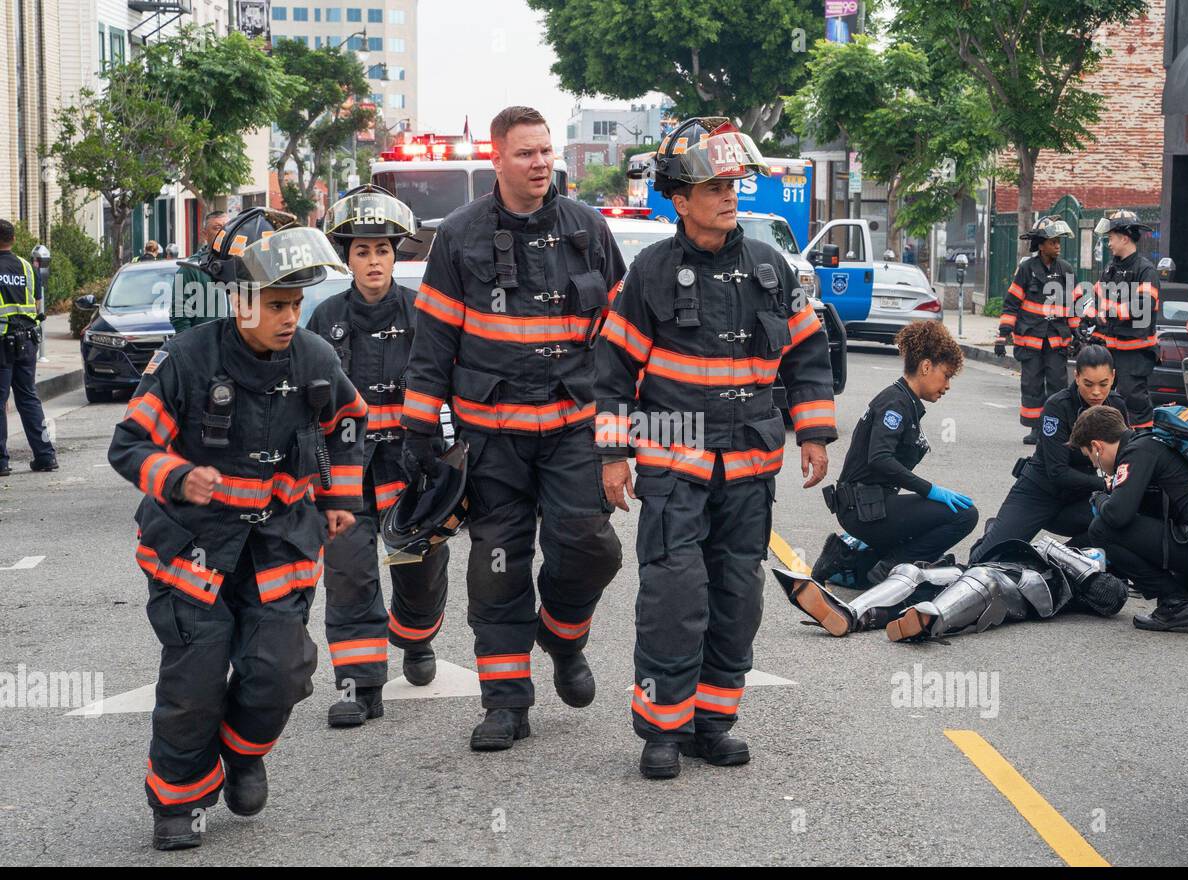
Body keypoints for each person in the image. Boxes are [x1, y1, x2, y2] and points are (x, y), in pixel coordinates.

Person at [108, 209, 366, 850]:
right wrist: (175, 476)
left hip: (277, 542)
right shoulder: (187, 359)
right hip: (193, 545)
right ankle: (178, 802)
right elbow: (130, 444)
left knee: (280, 669)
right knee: (194, 680)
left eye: (297, 304)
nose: (289, 317)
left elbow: (351, 425)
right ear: (238, 298)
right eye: (277, 304)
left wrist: (340, 500)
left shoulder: (314, 357)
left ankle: (243, 753)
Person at [596, 116, 837, 780]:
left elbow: (808, 356)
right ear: (680, 198)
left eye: (734, 182)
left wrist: (813, 433)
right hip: (674, 462)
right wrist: (613, 455)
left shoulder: (769, 267)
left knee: (737, 595)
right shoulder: (650, 271)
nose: (730, 195)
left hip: (750, 466)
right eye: (714, 186)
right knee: (674, 596)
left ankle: (713, 723)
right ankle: (662, 730)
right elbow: (612, 369)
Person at [400, 105, 625, 751]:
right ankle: (506, 706)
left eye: (547, 151)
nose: (540, 163)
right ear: (496, 158)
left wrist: (620, 439)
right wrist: (421, 433)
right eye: (526, 152)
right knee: (498, 568)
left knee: (591, 547)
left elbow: (622, 341)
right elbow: (434, 340)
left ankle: (564, 632)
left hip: (572, 432)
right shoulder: (461, 236)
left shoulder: (588, 228)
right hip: (491, 439)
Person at [308, 184, 449, 727]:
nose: (373, 261)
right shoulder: (323, 320)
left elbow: (447, 389)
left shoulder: (423, 316)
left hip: (413, 474)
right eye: (362, 251)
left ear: (396, 255)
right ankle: (359, 687)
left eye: (382, 250)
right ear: (348, 258)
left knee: (421, 572)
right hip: (344, 478)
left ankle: (415, 639)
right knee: (348, 576)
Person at [811, 322, 978, 588]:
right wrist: (930, 490)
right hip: (863, 508)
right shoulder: (896, 404)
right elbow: (880, 458)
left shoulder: (905, 401)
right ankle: (891, 570)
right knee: (965, 515)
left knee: (929, 538)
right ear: (926, 367)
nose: (947, 385)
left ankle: (844, 561)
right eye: (945, 375)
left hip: (869, 505)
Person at [775, 537, 1127, 640]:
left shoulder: (1085, 568)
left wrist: (1070, 558)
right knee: (913, 573)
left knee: (986, 582)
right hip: (986, 568)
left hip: (1017, 587)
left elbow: (1111, 597)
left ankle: (931, 620)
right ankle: (849, 614)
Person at [970, 345, 1128, 561]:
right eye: (1088, 384)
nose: (1096, 392)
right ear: (1077, 376)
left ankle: (1058, 560)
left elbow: (1125, 456)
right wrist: (1106, 484)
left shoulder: (1117, 406)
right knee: (986, 560)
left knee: (1119, 523)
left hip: (1081, 496)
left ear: (1113, 377)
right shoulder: (1057, 407)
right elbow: (1058, 472)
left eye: (1104, 384)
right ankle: (994, 532)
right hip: (1039, 492)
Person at [1069, 404, 1188, 633]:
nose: (1096, 466)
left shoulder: (1137, 452)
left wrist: (1098, 499)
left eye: (1092, 459)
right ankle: (1187, 596)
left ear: (1097, 447)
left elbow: (1117, 515)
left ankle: (1177, 604)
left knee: (1101, 530)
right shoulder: (1151, 442)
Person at [993, 216, 1088, 443]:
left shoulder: (1066, 270)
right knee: (1031, 384)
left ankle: (1053, 428)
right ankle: (1036, 429)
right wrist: (1002, 336)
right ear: (1041, 245)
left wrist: (1077, 334)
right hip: (1031, 339)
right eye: (1053, 241)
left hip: (1056, 339)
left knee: (1057, 384)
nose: (1057, 245)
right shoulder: (1027, 269)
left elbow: (1073, 307)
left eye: (1058, 241)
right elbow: (1012, 303)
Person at [1085, 210, 1160, 429]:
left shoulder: (1145, 270)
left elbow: (1142, 306)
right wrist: (1087, 319)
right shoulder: (1111, 268)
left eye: (1111, 238)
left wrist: (1106, 310)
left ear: (1124, 238)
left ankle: (1143, 441)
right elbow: (1096, 298)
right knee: (1106, 398)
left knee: (1133, 399)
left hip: (1135, 351)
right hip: (1112, 348)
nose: (1108, 243)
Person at [0, 218, 56, 476]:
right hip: (27, 342)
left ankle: (1, 462)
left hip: (1, 343)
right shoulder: (26, 266)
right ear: (13, 239)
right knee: (29, 399)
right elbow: (37, 304)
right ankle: (45, 456)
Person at [171, 209, 230, 333]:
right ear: (205, 234)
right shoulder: (191, 268)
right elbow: (179, 315)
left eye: (228, 227)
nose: (224, 232)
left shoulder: (240, 263)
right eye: (217, 228)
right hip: (205, 346)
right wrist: (190, 347)